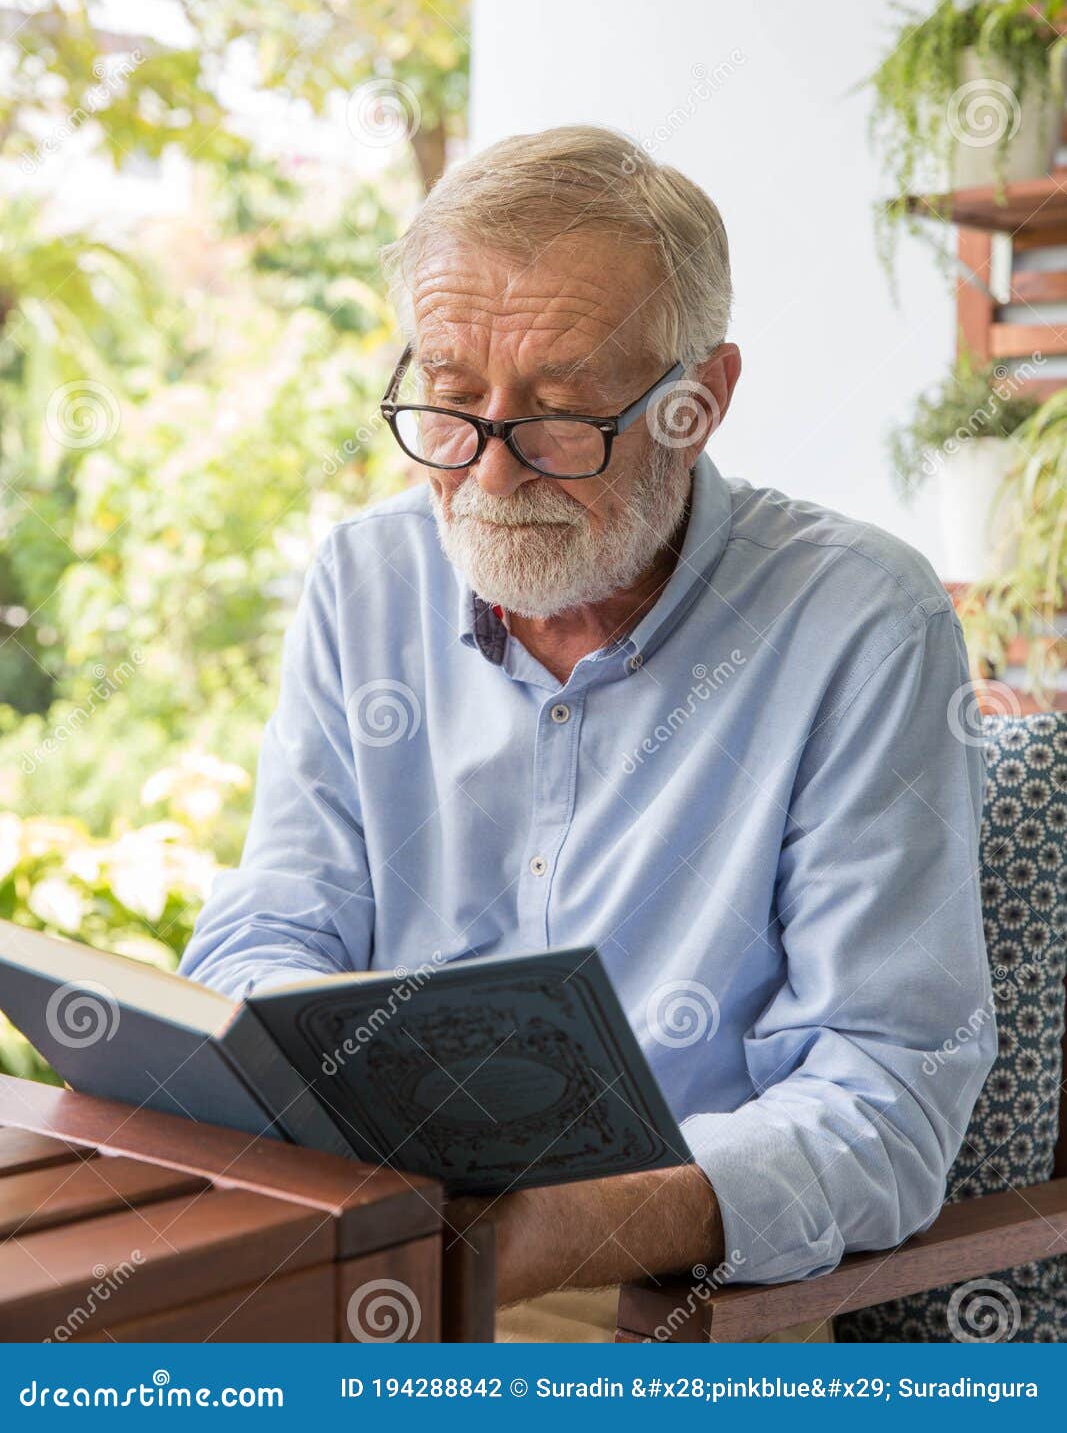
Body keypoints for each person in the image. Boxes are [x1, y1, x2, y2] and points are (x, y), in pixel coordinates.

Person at [181, 125, 995, 1321]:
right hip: (371, 1240)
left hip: (674, 1292)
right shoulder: (365, 581)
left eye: (560, 418)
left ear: (697, 403)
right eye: (451, 404)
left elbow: (881, 1094)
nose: (489, 476)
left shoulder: (857, 619)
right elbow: (272, 928)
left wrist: (554, 1229)